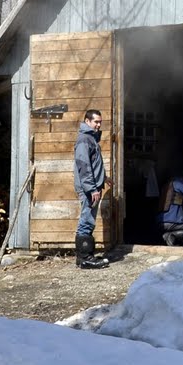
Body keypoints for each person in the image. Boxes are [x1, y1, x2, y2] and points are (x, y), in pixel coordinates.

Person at [73, 108, 110, 270]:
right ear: (87, 121)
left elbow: (95, 164)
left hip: (94, 186)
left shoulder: (91, 139)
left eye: (100, 122)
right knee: (86, 222)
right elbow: (84, 166)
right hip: (89, 189)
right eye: (96, 122)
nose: (98, 125)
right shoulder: (84, 140)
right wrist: (91, 189)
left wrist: (105, 178)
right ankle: (85, 258)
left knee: (88, 220)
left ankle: (83, 257)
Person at [159, 178, 183, 247]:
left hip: (160, 222)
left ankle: (170, 236)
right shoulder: (178, 183)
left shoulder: (165, 185)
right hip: (173, 220)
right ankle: (174, 235)